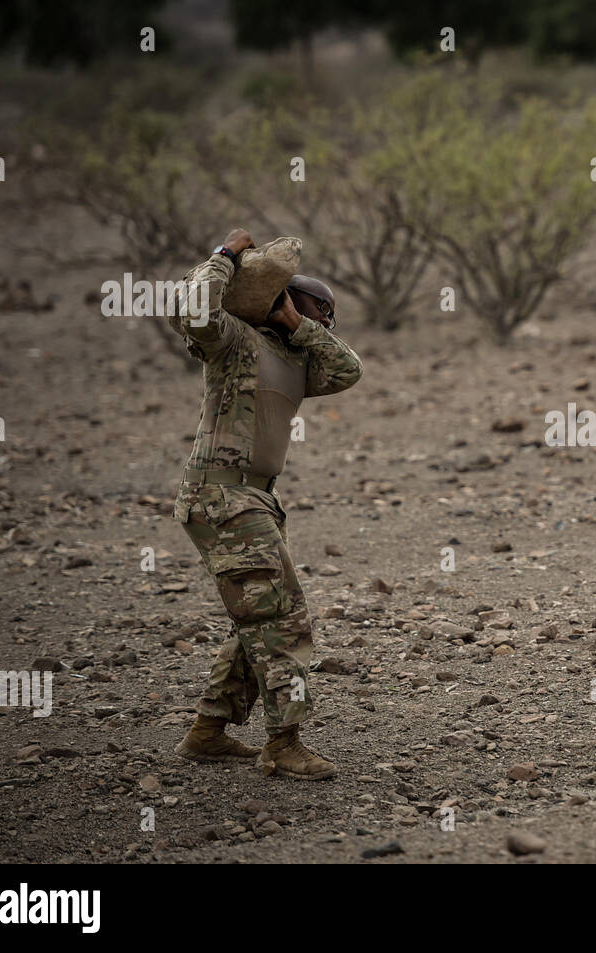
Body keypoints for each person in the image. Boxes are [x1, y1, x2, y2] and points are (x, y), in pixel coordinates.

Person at [168, 228, 361, 780]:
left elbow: (349, 369)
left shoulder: (298, 359)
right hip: (221, 494)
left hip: (252, 498)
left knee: (257, 620)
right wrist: (225, 257)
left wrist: (295, 325)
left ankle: (208, 732)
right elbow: (198, 315)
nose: (325, 324)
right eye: (320, 313)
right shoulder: (232, 343)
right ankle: (284, 743)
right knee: (282, 620)